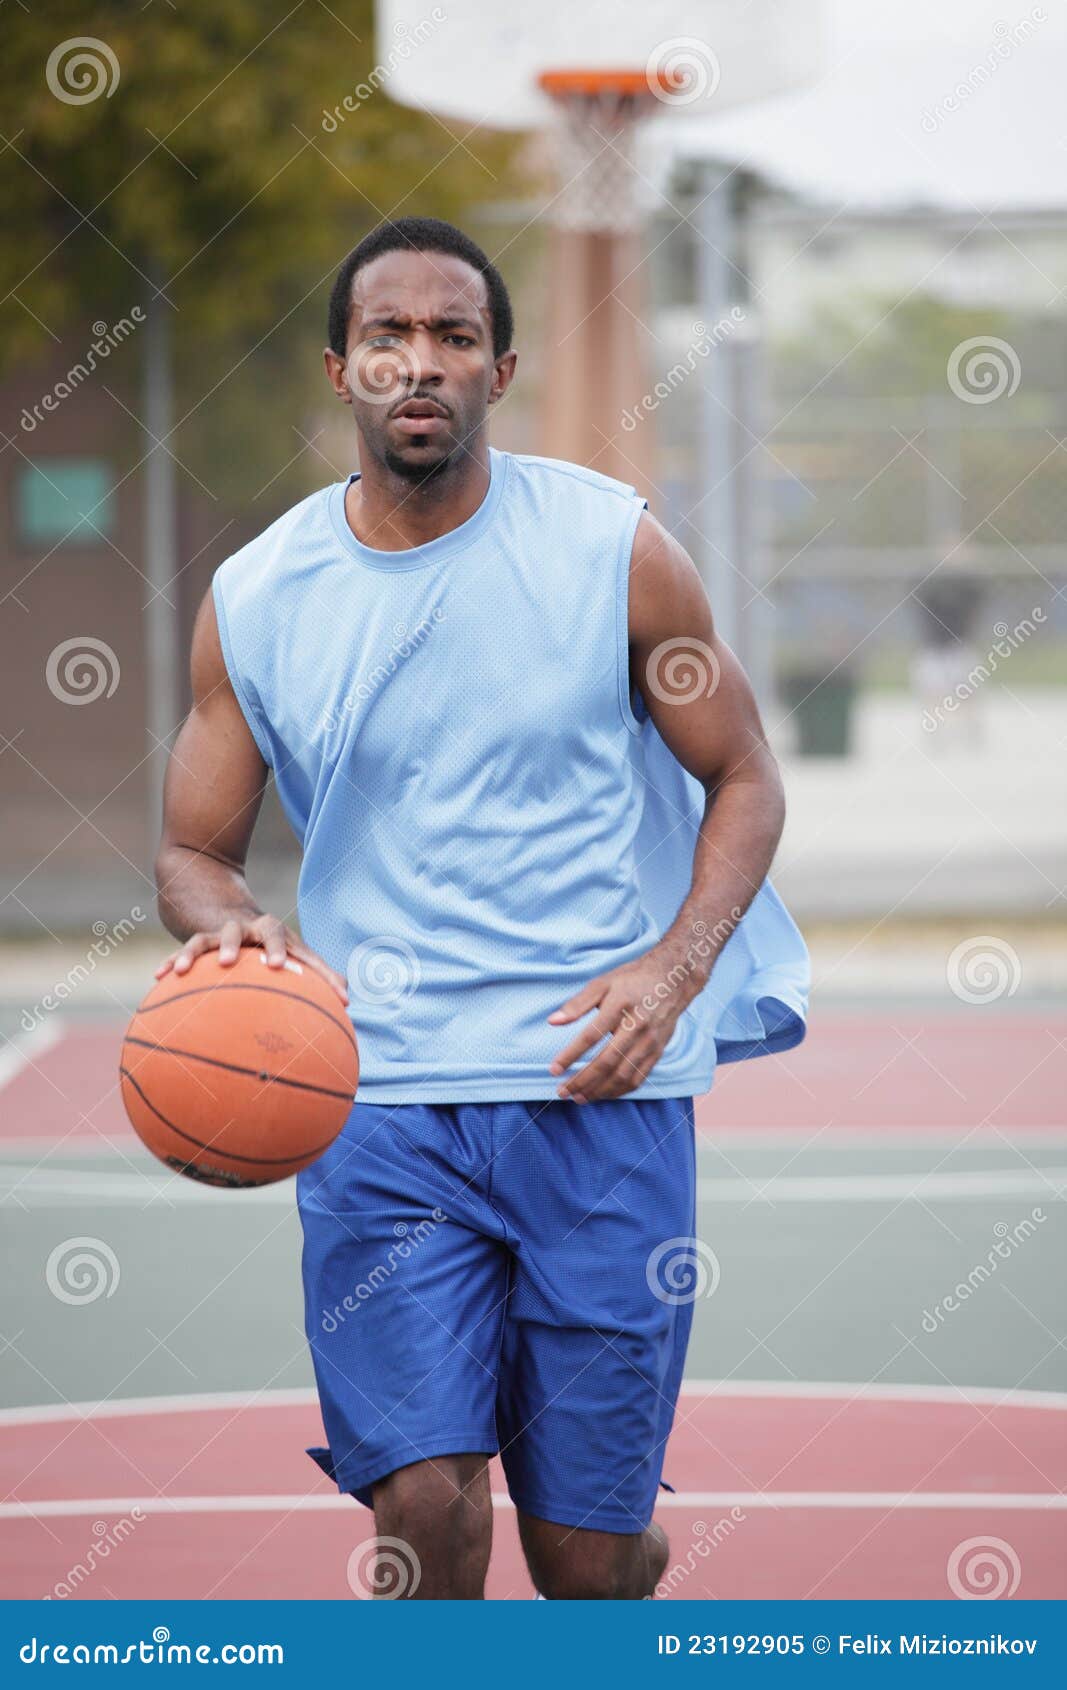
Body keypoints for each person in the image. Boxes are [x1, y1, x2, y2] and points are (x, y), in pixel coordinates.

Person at [154, 217, 807, 1600]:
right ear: (341, 369)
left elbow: (745, 776)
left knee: (583, 1557)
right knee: (423, 1509)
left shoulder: (614, 553)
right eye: (388, 335)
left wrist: (674, 970)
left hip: (598, 1096)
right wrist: (231, 922)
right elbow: (191, 849)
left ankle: (626, 1546)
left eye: (453, 336)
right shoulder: (259, 597)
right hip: (378, 1098)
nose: (419, 363)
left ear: (500, 369)